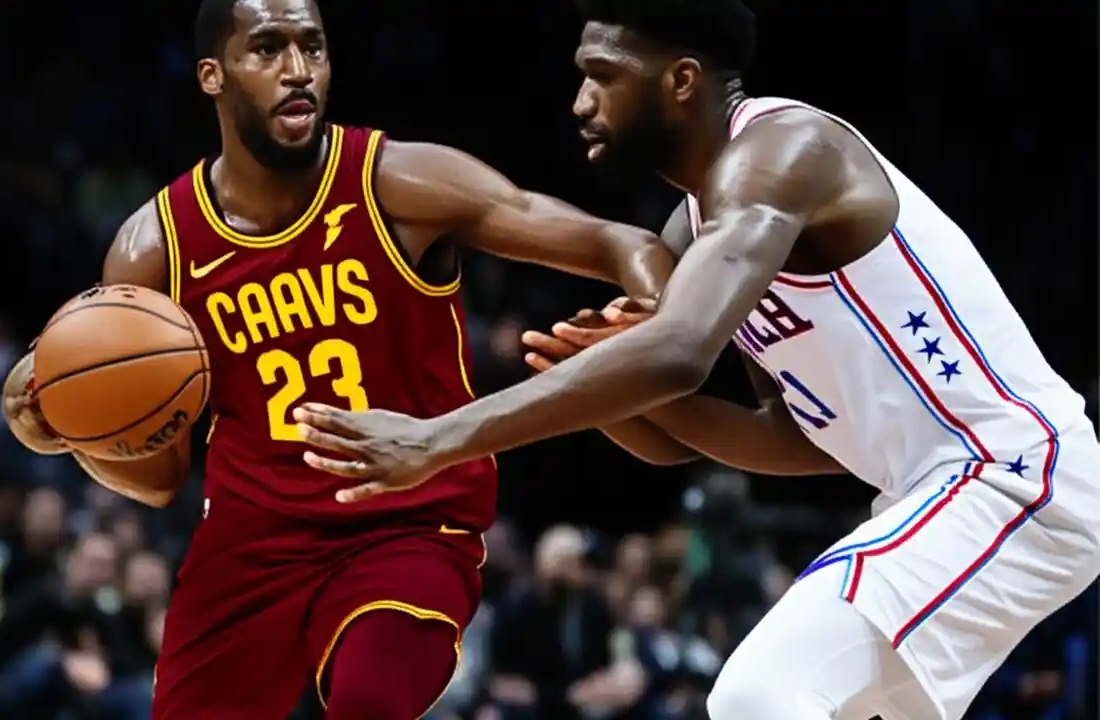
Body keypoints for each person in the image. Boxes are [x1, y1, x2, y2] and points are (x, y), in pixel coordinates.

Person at [290, 1, 1100, 718]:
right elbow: (791, 435)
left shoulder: (786, 153)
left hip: (1012, 472)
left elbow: (678, 354)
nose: (581, 102)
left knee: (758, 695)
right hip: (939, 492)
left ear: (680, 80)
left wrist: (440, 440)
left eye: (602, 76)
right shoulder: (694, 229)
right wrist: (615, 387)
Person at [0, 0, 674, 717]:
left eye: (313, 48)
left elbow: (619, 244)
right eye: (267, 49)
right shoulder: (154, 247)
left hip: (406, 520)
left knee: (369, 703)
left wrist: (664, 312)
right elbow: (159, 476)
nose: (299, 71)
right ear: (212, 75)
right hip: (250, 542)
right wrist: (74, 423)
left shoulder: (398, 184)